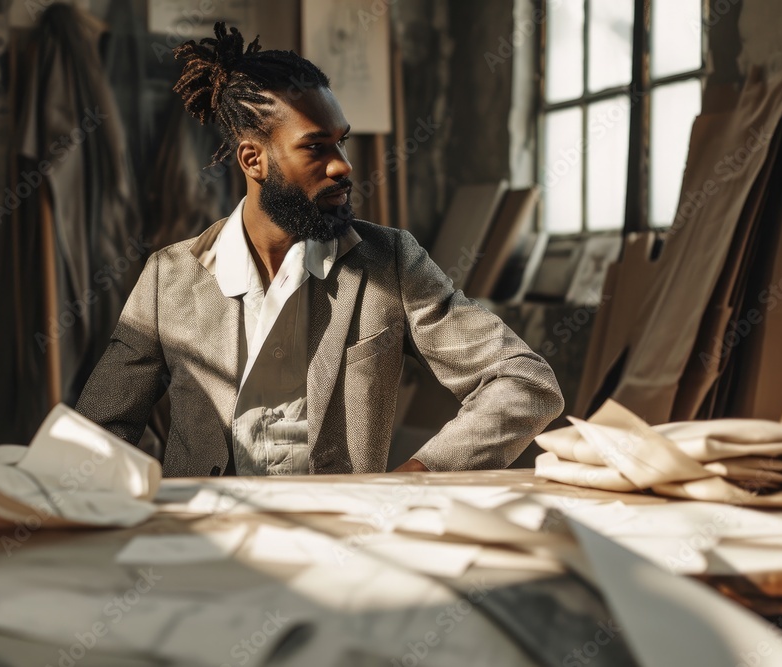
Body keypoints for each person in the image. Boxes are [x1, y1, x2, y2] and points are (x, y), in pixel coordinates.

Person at [75, 23, 563, 476]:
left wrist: (420, 478)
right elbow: (98, 427)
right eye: (316, 147)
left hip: (340, 547)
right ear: (253, 159)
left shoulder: (390, 262)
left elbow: (525, 383)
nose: (343, 166)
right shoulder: (169, 278)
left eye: (342, 143)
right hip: (207, 544)